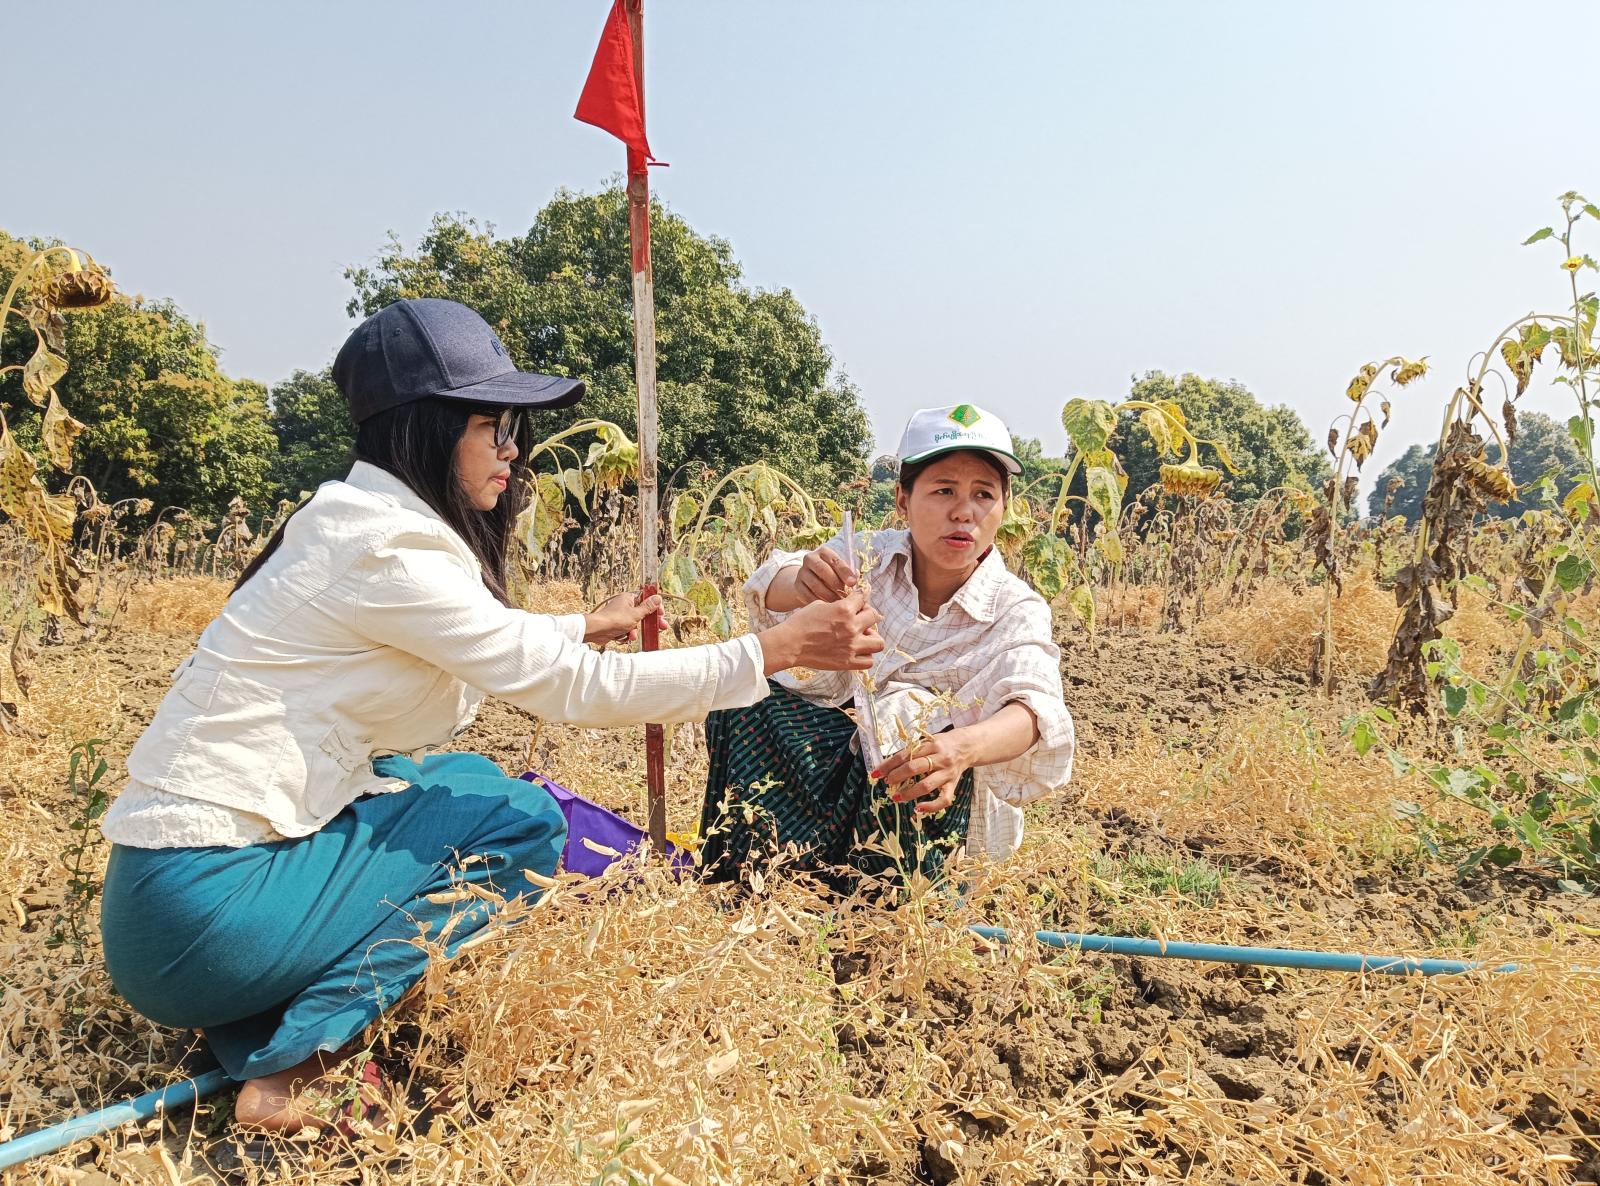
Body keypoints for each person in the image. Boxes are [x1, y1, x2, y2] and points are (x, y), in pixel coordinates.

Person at [97, 298, 884, 1139]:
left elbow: (478, 639)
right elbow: (574, 692)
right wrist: (771, 649)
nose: (514, 451)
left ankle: (262, 1018)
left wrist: (584, 624)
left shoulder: (352, 522)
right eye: (493, 426)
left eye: (515, 428)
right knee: (523, 824)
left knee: (465, 781)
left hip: (173, 906)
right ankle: (297, 1069)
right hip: (200, 912)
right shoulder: (387, 547)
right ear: (426, 431)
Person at [698, 402, 1074, 888]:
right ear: (902, 499)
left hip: (930, 796)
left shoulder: (1015, 607)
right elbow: (771, 583)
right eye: (944, 491)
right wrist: (805, 581)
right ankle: (756, 869)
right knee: (746, 694)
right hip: (837, 756)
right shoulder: (870, 559)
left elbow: (1034, 708)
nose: (964, 511)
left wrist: (959, 749)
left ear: (1003, 508)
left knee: (909, 724)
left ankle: (888, 904)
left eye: (984, 494)